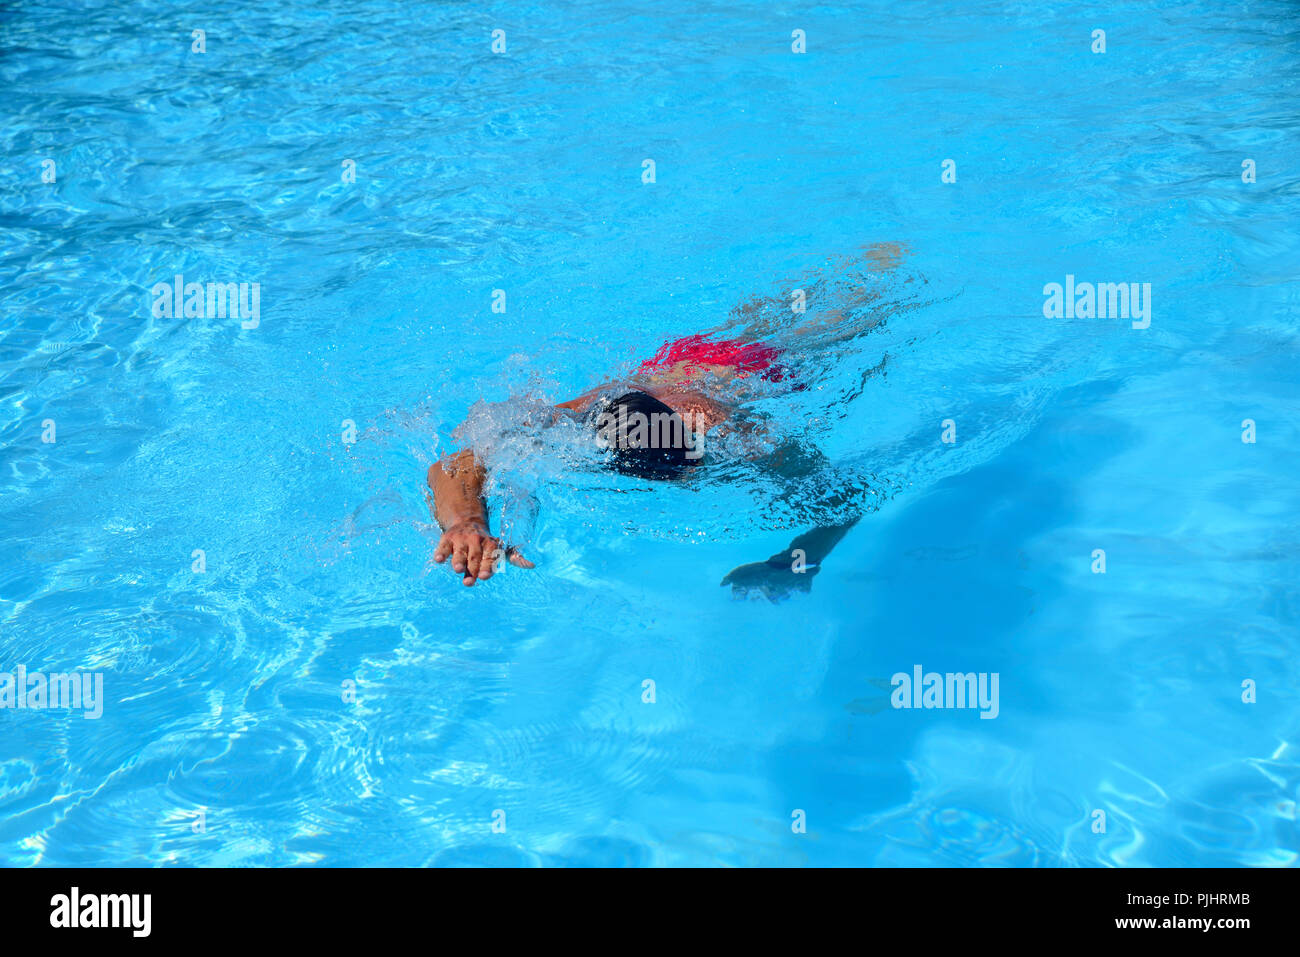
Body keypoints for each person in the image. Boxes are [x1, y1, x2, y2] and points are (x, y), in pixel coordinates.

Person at [427, 243, 908, 598]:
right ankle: (863, 269)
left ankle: (883, 271)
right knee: (771, 318)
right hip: (684, 363)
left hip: (756, 367)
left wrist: (796, 565)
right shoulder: (585, 422)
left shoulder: (729, 431)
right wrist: (468, 521)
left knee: (838, 325)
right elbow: (458, 463)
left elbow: (845, 497)